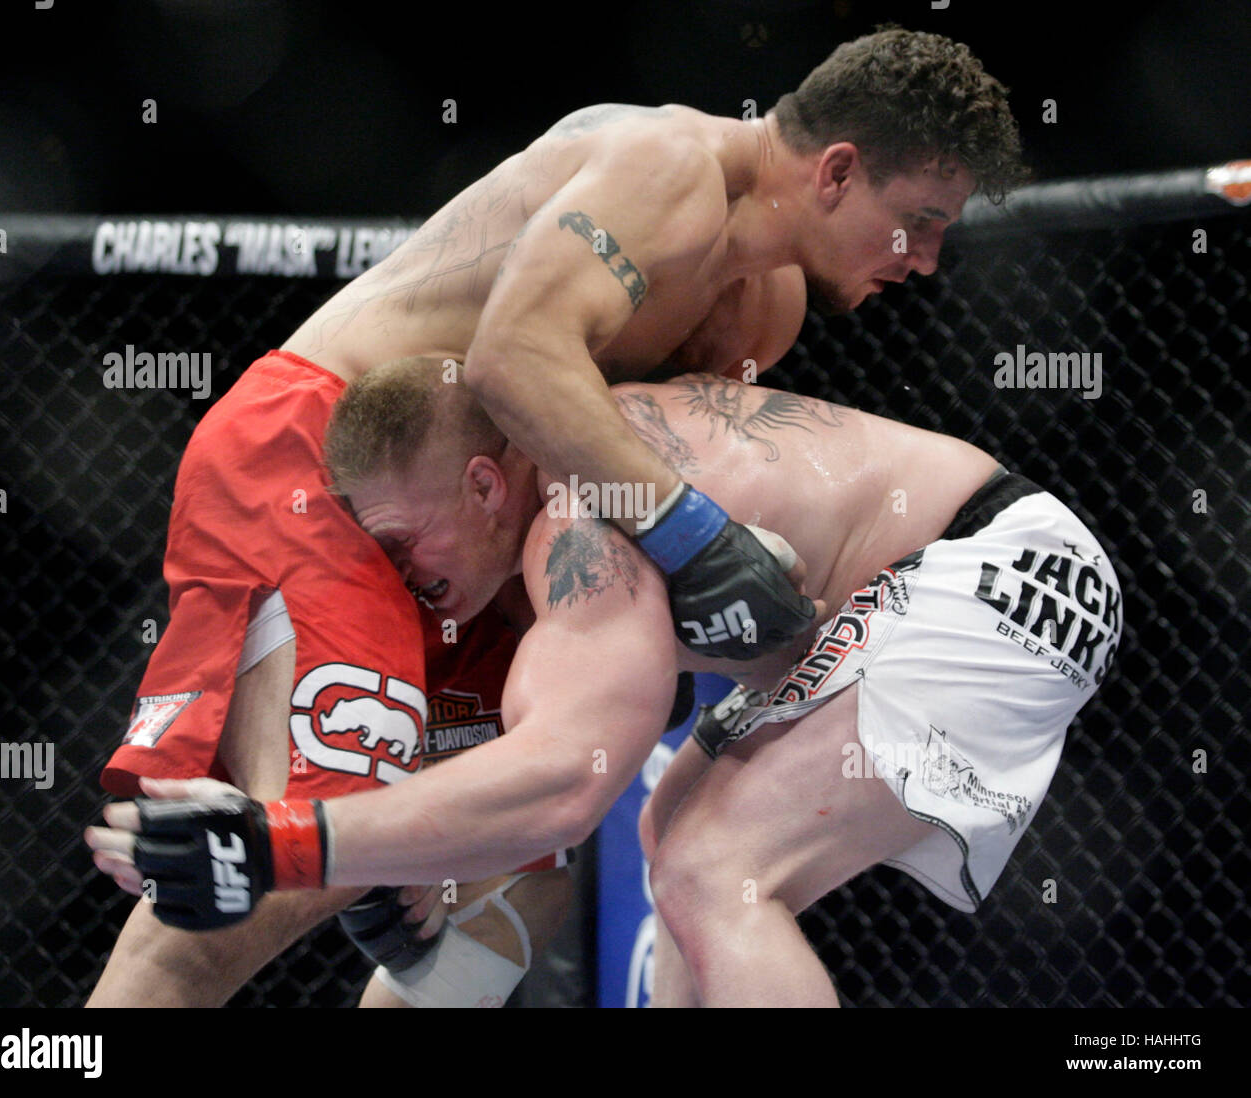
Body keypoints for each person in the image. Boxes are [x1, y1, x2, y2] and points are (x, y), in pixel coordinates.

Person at [89, 24, 1025, 1005]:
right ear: (836, 170)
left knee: (518, 848)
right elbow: (513, 360)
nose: (922, 259)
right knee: (278, 853)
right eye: (915, 219)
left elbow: (609, 458)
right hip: (335, 459)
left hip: (489, 525)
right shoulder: (665, 167)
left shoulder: (764, 307)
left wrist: (645, 619)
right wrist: (697, 542)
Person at [87, 366, 1122, 1007]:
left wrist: (285, 843)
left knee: (716, 868)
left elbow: (560, 785)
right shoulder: (568, 511)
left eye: (401, 539)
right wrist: (390, 858)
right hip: (943, 585)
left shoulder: (580, 523)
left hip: (990, 565)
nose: (396, 574)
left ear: (485, 484)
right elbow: (533, 803)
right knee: (677, 840)